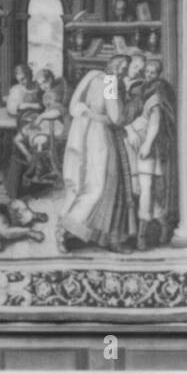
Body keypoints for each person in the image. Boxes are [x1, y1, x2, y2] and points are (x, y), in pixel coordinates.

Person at [59, 53, 138, 252]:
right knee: (103, 186)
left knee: (89, 184)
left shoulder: (93, 75)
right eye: (125, 67)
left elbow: (74, 106)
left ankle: (91, 234)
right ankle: (68, 230)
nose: (126, 72)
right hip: (102, 138)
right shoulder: (111, 82)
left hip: (85, 134)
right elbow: (116, 117)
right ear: (119, 67)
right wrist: (134, 104)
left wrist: (91, 113)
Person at [124, 56, 177, 249]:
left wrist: (146, 147)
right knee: (145, 193)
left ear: (158, 75)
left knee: (146, 191)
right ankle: (163, 225)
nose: (147, 75)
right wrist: (130, 129)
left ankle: (142, 235)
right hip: (134, 148)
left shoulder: (156, 95)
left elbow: (154, 125)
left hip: (148, 150)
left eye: (152, 73)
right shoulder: (140, 92)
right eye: (145, 72)